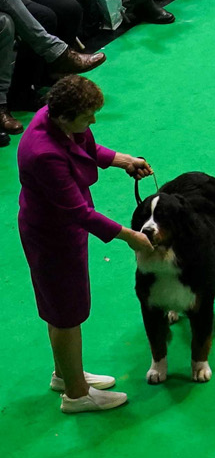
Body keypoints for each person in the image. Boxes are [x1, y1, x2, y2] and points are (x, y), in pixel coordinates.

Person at [15, 75, 156, 413]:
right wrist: (131, 236)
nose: (93, 121)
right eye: (87, 116)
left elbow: (87, 148)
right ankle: (76, 395)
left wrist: (123, 160)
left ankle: (65, 375)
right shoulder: (43, 154)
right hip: (52, 236)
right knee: (66, 314)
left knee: (59, 310)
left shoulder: (55, 119)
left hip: (63, 229)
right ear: (64, 115)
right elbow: (79, 213)